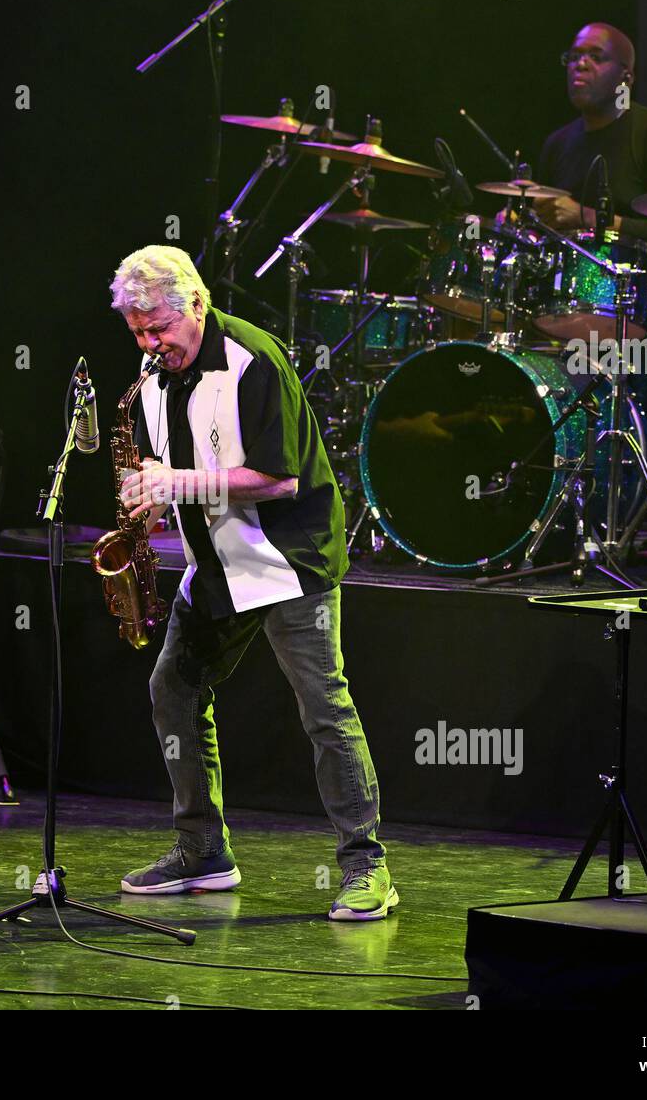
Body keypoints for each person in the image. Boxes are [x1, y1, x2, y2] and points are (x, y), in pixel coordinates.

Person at [109, 244, 394, 921]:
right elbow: (171, 462)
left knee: (324, 709)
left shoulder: (252, 359)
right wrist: (149, 498)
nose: (151, 345)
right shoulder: (151, 376)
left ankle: (366, 865)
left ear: (197, 305)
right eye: (139, 332)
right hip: (214, 561)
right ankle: (203, 849)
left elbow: (280, 477)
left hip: (286, 558)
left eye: (160, 329)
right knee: (173, 689)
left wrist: (177, 482)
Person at [531, 22, 647, 297]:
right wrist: (525, 224)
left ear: (626, 78)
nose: (580, 64)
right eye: (573, 57)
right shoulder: (557, 143)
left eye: (595, 57)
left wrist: (589, 218)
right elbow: (548, 234)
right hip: (571, 300)